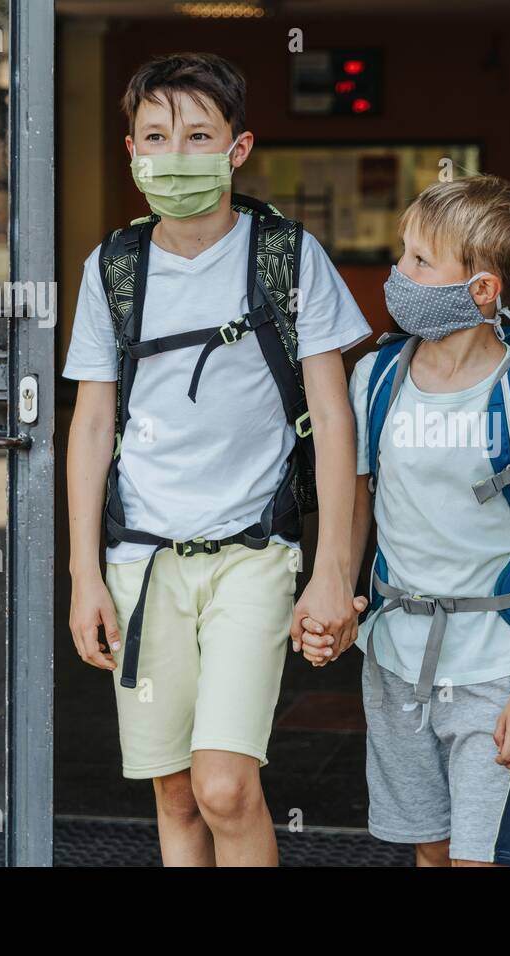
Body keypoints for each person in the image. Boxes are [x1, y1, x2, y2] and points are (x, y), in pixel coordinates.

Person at [63, 52, 370, 866]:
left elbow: (336, 421)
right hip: (142, 561)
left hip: (252, 555)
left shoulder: (289, 258)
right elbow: (92, 424)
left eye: (200, 136)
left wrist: (333, 569)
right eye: (156, 136)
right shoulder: (113, 270)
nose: (176, 154)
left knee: (225, 786)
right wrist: (84, 574)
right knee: (174, 790)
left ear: (238, 150)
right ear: (130, 152)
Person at [298, 175, 510, 866]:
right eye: (403, 253)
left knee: (474, 860)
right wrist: (333, 594)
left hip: (495, 670)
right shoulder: (378, 376)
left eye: (420, 262)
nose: (399, 274)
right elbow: (359, 505)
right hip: (395, 659)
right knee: (429, 852)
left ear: (482, 289)